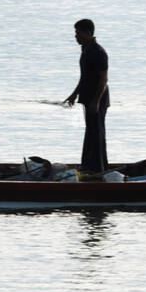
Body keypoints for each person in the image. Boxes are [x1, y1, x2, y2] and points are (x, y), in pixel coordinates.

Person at [63, 19, 109, 175]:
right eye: (75, 33)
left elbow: (103, 79)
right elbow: (85, 77)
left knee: (97, 132)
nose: (76, 36)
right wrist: (74, 94)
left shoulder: (98, 52)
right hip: (87, 97)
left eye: (78, 33)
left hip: (97, 99)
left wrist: (96, 102)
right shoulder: (86, 50)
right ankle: (88, 165)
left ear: (88, 33)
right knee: (90, 131)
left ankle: (98, 168)